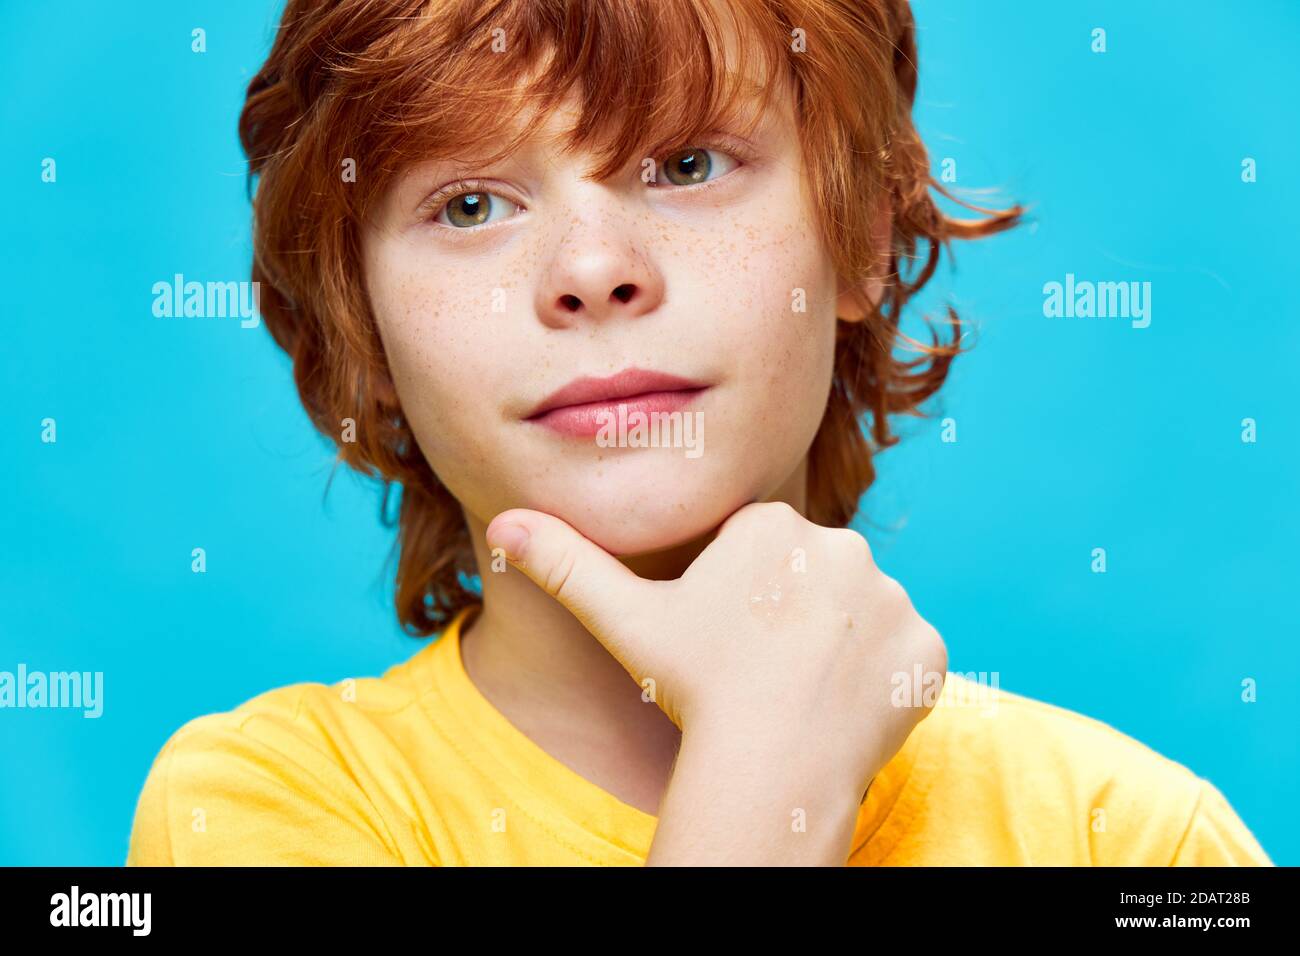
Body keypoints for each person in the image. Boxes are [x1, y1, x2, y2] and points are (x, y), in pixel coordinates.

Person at [126, 0, 1271, 866]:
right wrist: (761, 789)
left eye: (685, 164)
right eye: (469, 204)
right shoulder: (261, 803)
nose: (592, 271)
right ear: (362, 324)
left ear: (864, 235)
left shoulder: (1125, 837)